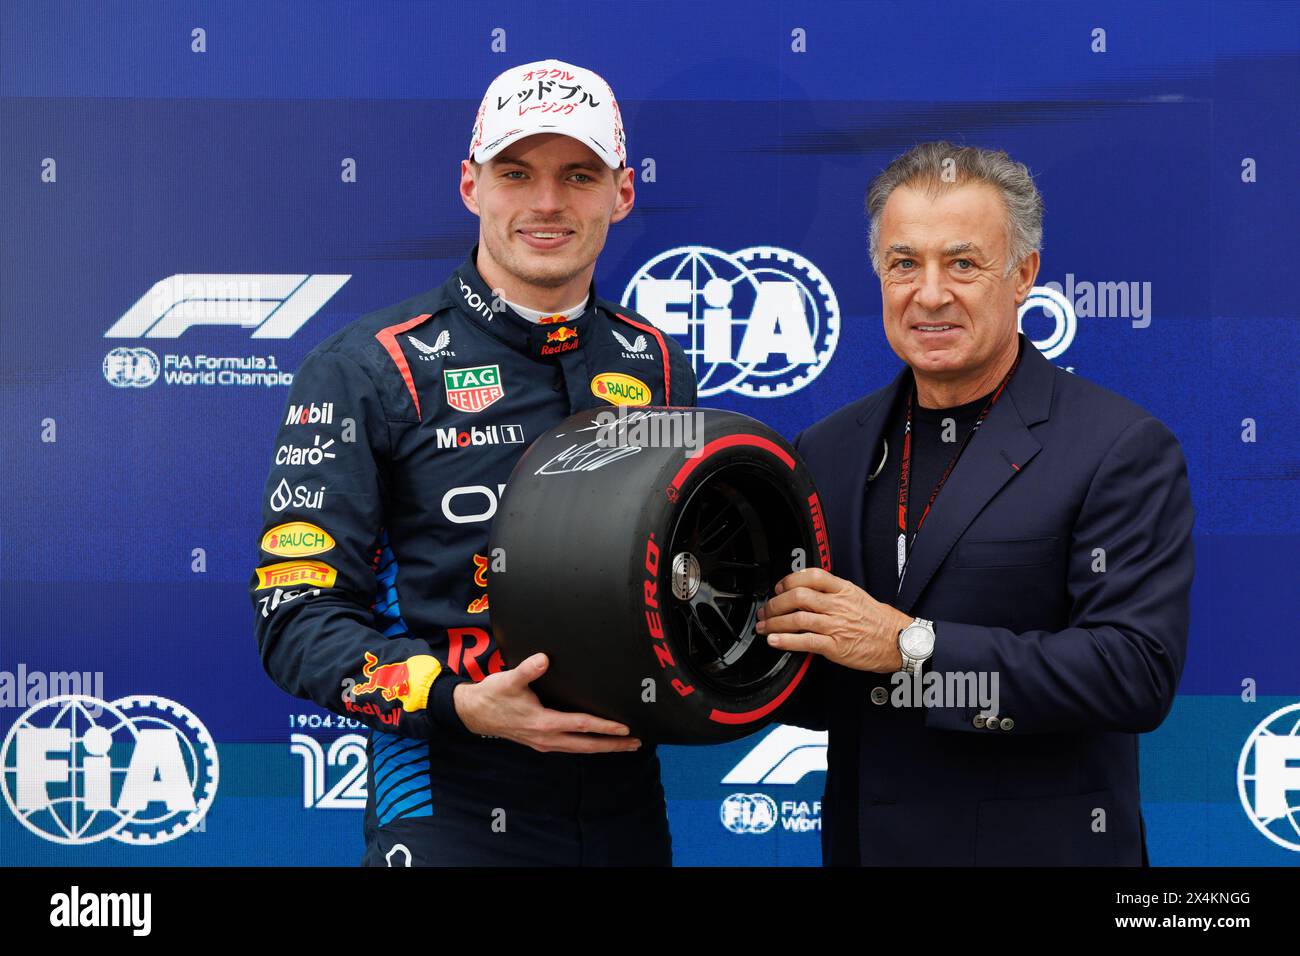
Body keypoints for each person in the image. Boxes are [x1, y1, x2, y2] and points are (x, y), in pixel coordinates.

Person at [250, 59, 697, 866]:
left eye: (580, 175)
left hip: (625, 800)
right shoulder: (369, 367)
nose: (548, 202)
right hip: (446, 795)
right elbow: (294, 619)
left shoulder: (657, 362)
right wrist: (457, 702)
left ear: (622, 194)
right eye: (516, 172)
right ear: (471, 185)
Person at [761, 142, 1194, 865]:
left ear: (1023, 274)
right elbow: (815, 678)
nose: (929, 293)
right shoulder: (827, 448)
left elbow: (1133, 673)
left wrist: (910, 646)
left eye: (962, 263)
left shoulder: (1118, 447)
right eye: (905, 264)